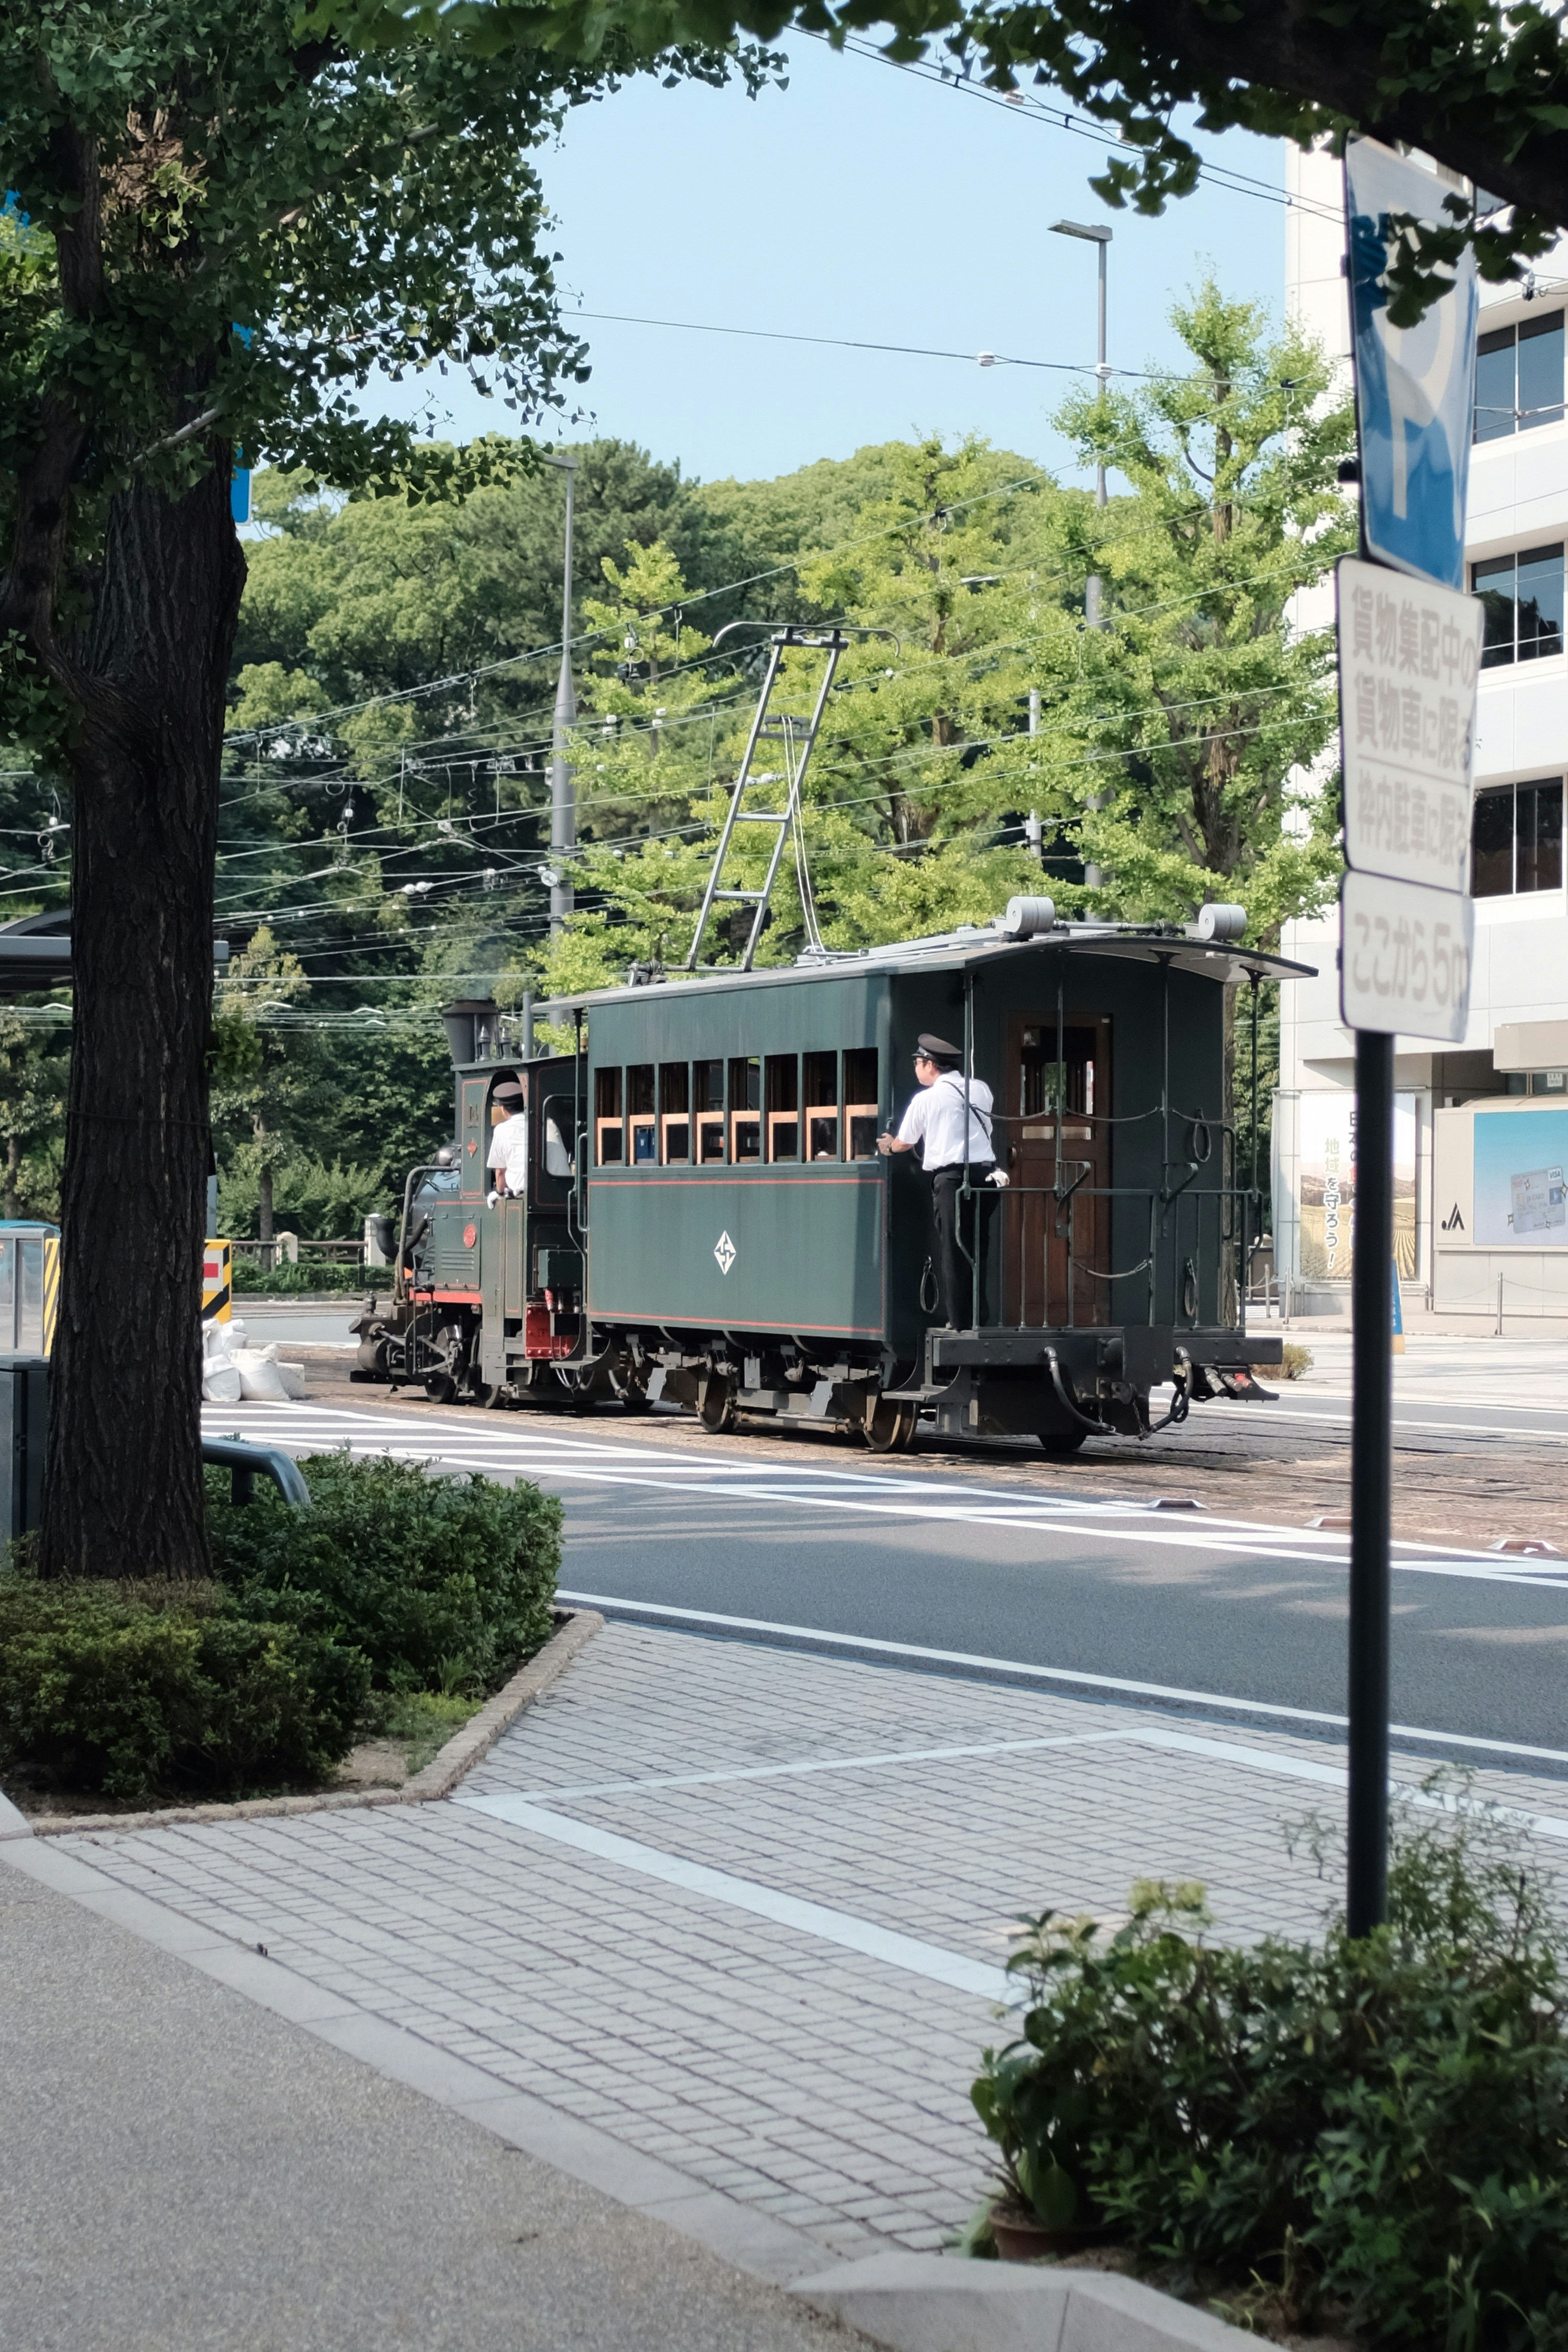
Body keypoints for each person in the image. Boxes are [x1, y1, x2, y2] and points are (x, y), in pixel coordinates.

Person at [878, 1034, 1004, 1328]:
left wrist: (888, 1146)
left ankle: (960, 1321)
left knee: (953, 1249)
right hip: (986, 1177)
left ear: (931, 1065)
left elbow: (904, 1143)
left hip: (952, 1179)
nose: (916, 1070)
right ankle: (979, 1317)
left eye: (918, 1064)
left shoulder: (926, 1099)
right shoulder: (981, 1089)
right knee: (977, 1248)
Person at [485, 1079, 528, 1204]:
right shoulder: (546, 1123)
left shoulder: (502, 1130)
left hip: (521, 1193)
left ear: (503, 1109)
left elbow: (500, 1171)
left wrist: (498, 1193)